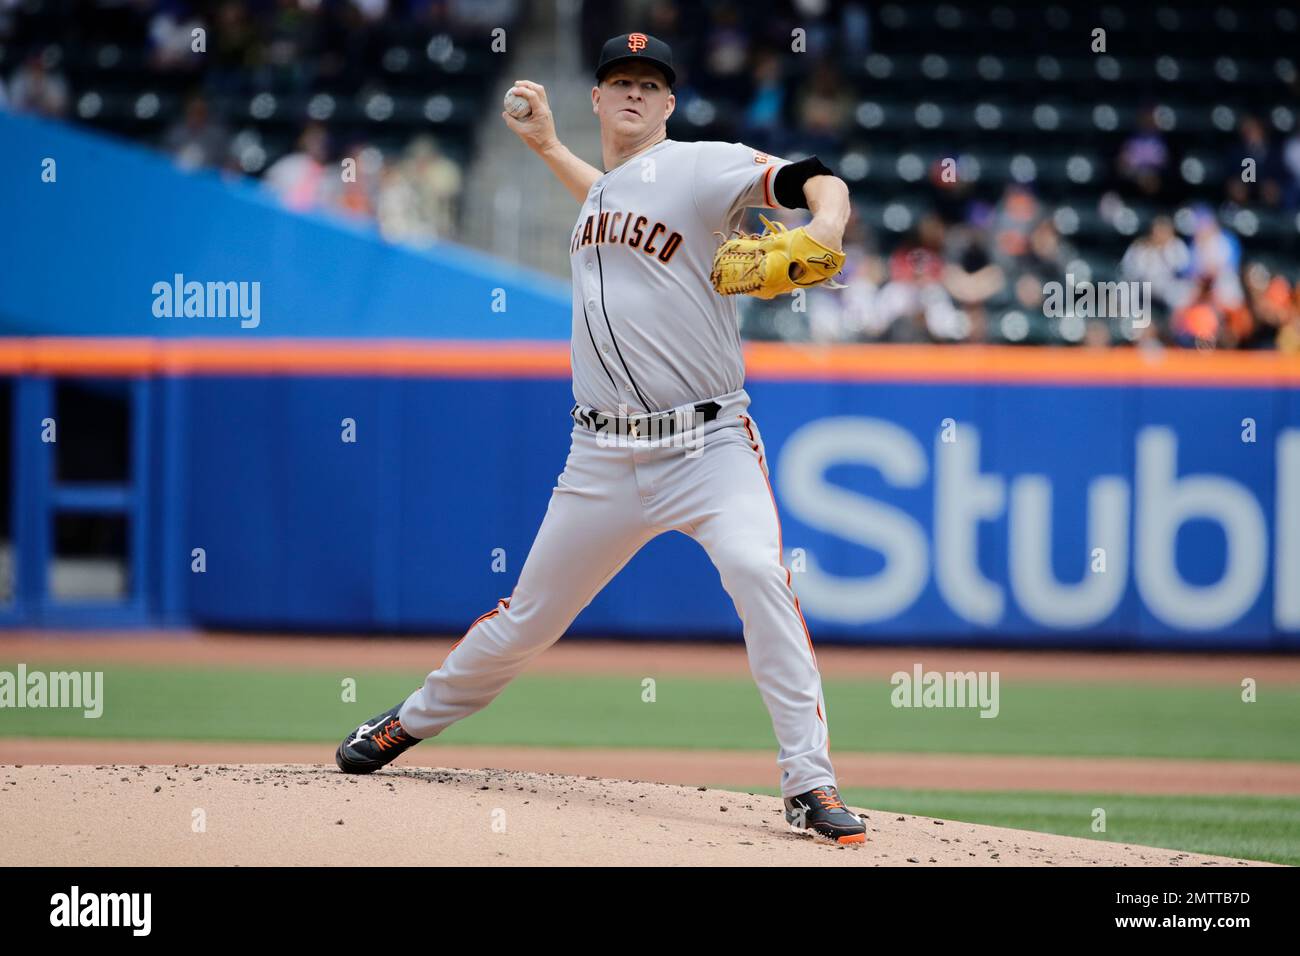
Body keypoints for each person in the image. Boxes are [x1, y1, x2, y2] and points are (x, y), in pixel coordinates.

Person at [335, 32, 866, 846]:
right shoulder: (607, 196)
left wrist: (827, 222)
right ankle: (409, 720)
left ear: (669, 103)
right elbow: (608, 196)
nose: (634, 93)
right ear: (597, 96)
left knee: (760, 572)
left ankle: (810, 783)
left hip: (709, 447)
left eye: (650, 84)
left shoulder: (697, 165)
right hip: (601, 458)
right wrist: (547, 146)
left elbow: (806, 176)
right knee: (527, 620)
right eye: (620, 79)